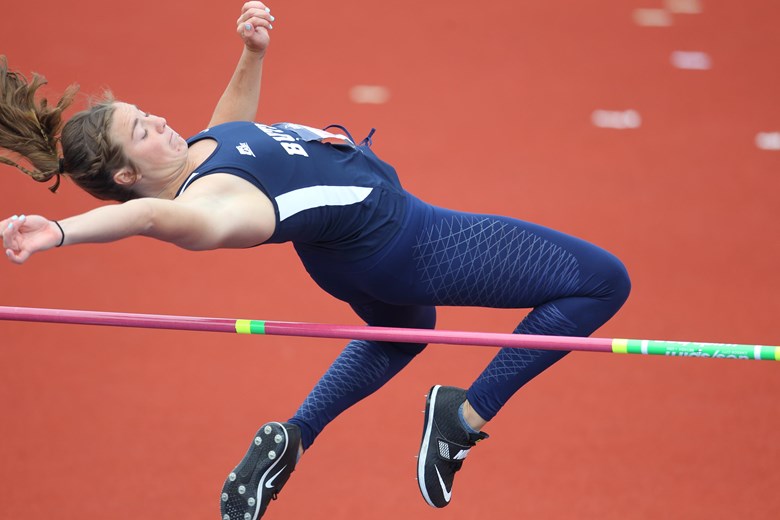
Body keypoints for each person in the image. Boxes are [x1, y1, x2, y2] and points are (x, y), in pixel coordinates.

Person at [0, 2, 631, 519]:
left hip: (359, 254)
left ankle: (291, 438)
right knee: (601, 282)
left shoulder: (197, 161)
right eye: (142, 132)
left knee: (408, 329)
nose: (160, 121)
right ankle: (461, 419)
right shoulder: (202, 213)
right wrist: (58, 231)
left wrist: (252, 55)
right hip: (408, 241)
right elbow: (144, 216)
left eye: (145, 113)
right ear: (126, 173)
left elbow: (231, 134)